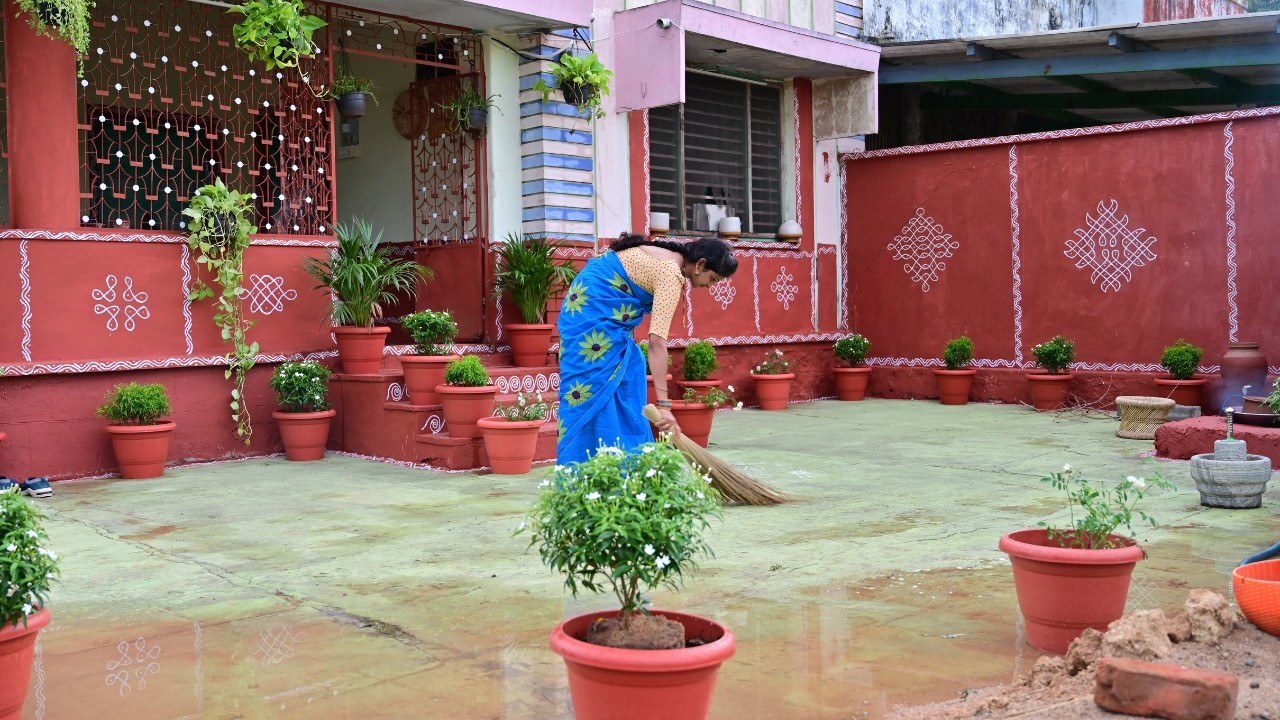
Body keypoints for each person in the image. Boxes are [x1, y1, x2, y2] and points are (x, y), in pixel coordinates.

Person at [556, 232, 738, 464]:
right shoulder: (670, 273)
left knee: (631, 368)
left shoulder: (668, 258)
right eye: (713, 279)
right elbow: (657, 342)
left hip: (587, 312)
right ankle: (590, 466)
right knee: (597, 388)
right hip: (590, 320)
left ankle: (623, 460)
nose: (711, 287)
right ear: (700, 265)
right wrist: (664, 407)